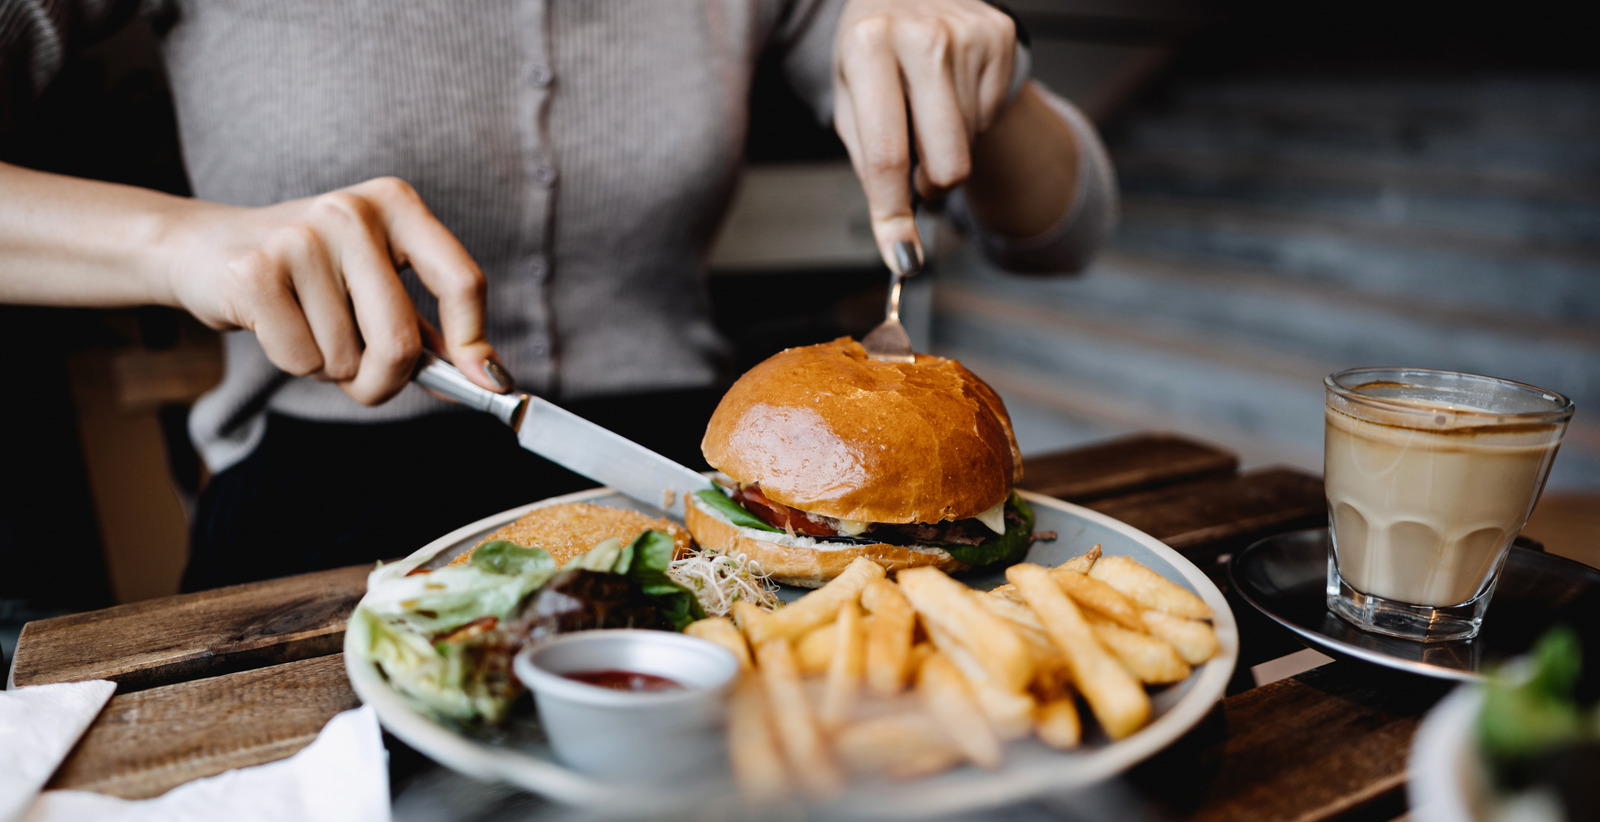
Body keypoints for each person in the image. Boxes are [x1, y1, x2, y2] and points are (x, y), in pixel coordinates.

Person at [0, 0, 1116, 589]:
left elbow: (1065, 229)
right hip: (322, 497)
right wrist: (173, 241)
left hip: (703, 488)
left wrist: (984, 72)